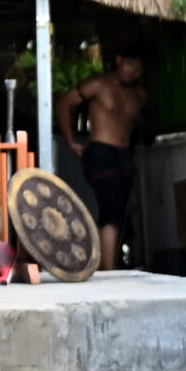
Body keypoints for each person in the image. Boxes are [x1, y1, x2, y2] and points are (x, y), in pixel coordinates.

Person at [58, 49, 145, 274]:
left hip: (125, 155)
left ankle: (107, 263)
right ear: (119, 59)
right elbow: (65, 103)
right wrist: (70, 140)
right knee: (112, 209)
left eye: (137, 68)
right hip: (100, 153)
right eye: (129, 64)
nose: (132, 71)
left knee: (120, 213)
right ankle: (109, 270)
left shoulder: (139, 95)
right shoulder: (99, 84)